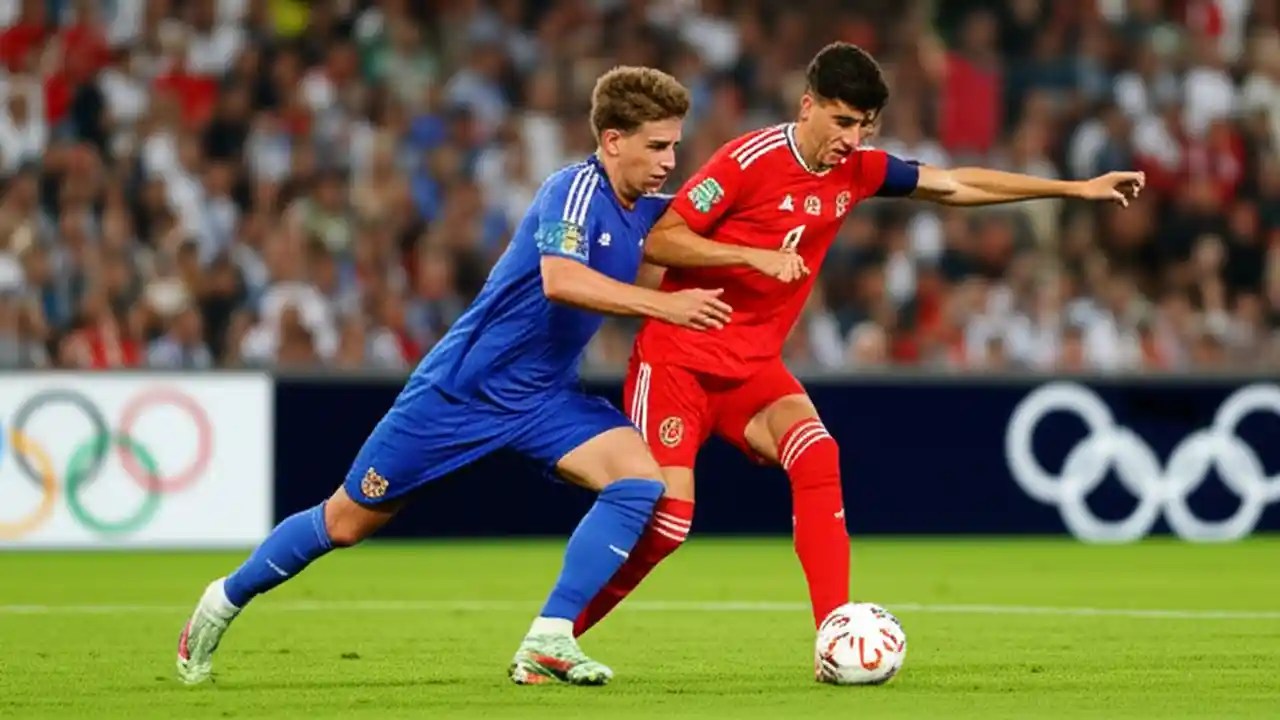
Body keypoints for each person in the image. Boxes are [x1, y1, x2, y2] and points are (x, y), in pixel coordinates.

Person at [175, 66, 805, 688]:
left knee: (639, 481)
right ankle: (222, 600)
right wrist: (665, 306)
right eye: (657, 146)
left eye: (674, 145)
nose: (671, 160)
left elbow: (682, 241)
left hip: (543, 399)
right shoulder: (572, 192)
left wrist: (755, 253)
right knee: (346, 522)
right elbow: (563, 281)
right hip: (459, 392)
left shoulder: (643, 212)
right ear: (613, 140)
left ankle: (549, 638)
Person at [573, 42, 1145, 660]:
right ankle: (559, 634)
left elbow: (952, 184)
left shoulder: (860, 171)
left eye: (864, 126)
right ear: (807, 105)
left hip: (752, 369)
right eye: (843, 122)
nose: (852, 138)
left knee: (818, 454)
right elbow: (663, 239)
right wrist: (751, 255)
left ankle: (834, 634)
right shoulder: (748, 159)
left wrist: (1075, 188)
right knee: (669, 525)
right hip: (680, 358)